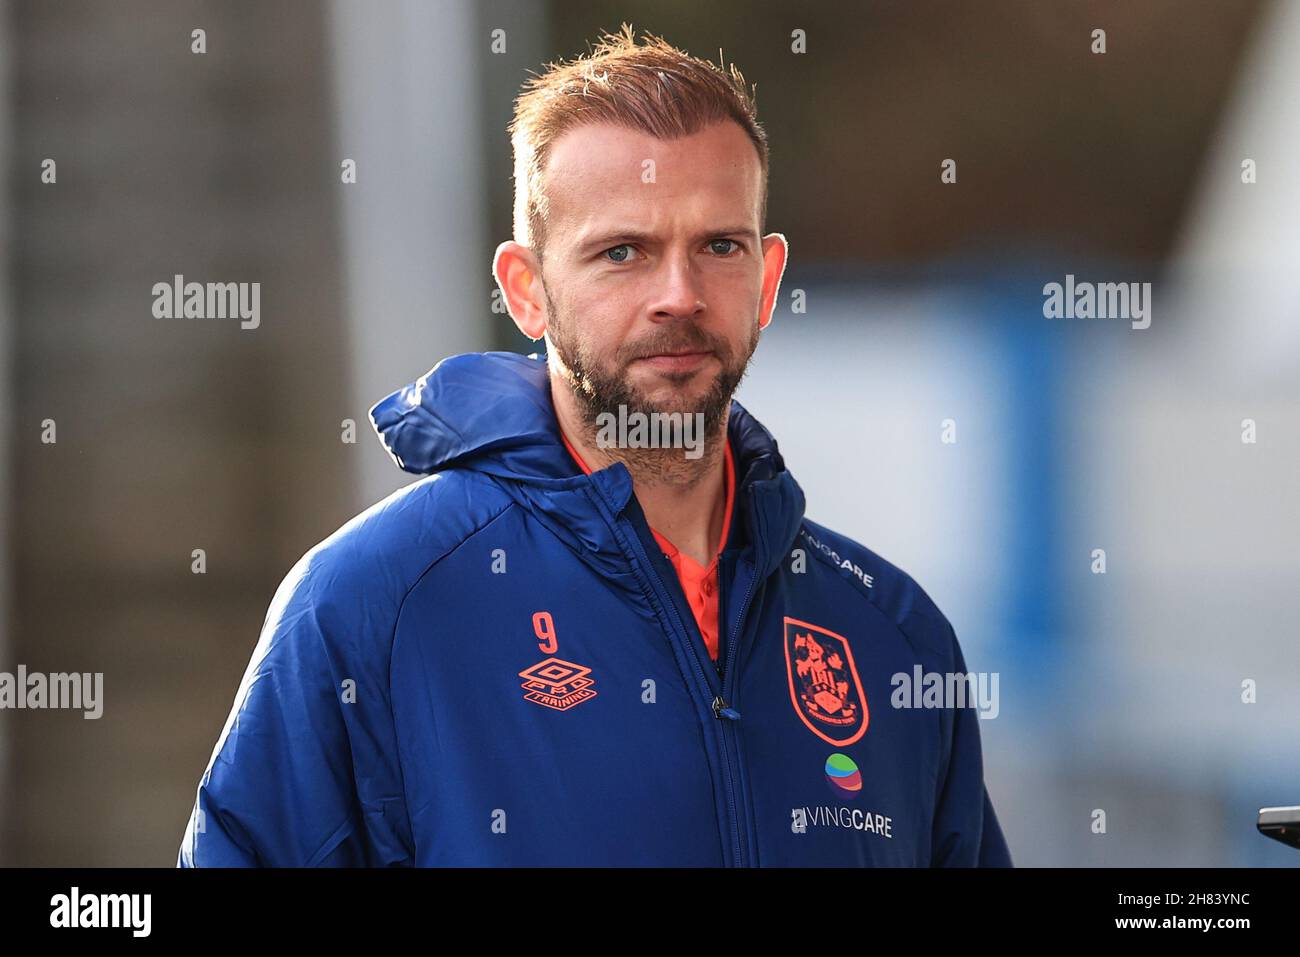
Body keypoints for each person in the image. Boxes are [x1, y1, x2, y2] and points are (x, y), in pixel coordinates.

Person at [177, 24, 1011, 867]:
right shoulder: (371, 607)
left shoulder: (893, 634)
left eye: (718, 246)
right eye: (624, 252)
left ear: (766, 280)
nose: (679, 296)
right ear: (527, 291)